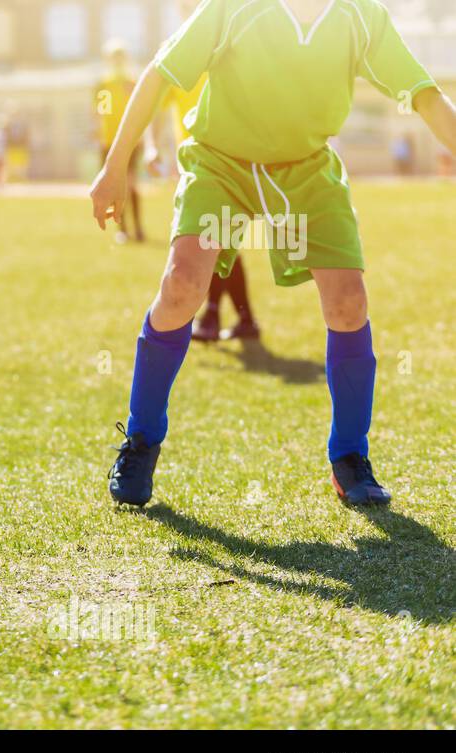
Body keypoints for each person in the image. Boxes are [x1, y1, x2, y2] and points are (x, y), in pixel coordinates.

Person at [91, 0, 456, 507]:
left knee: (348, 302)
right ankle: (141, 440)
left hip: (306, 172)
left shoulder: (359, 15)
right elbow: (160, 73)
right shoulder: (233, 7)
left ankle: (349, 457)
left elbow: (424, 96)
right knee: (181, 288)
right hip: (221, 164)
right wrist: (115, 165)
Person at [147, 0, 259, 343]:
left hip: (230, 155)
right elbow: (156, 102)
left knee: (214, 239)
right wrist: (153, 146)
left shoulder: (230, 41)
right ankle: (244, 321)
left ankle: (214, 317)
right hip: (196, 163)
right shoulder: (176, 48)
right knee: (218, 240)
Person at [95, 39, 146, 244]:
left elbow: (141, 113)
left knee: (131, 184)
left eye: (120, 57)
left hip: (131, 142)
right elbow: (102, 114)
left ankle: (139, 228)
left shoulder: (133, 83)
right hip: (109, 142)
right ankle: (123, 229)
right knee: (115, 186)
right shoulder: (104, 85)